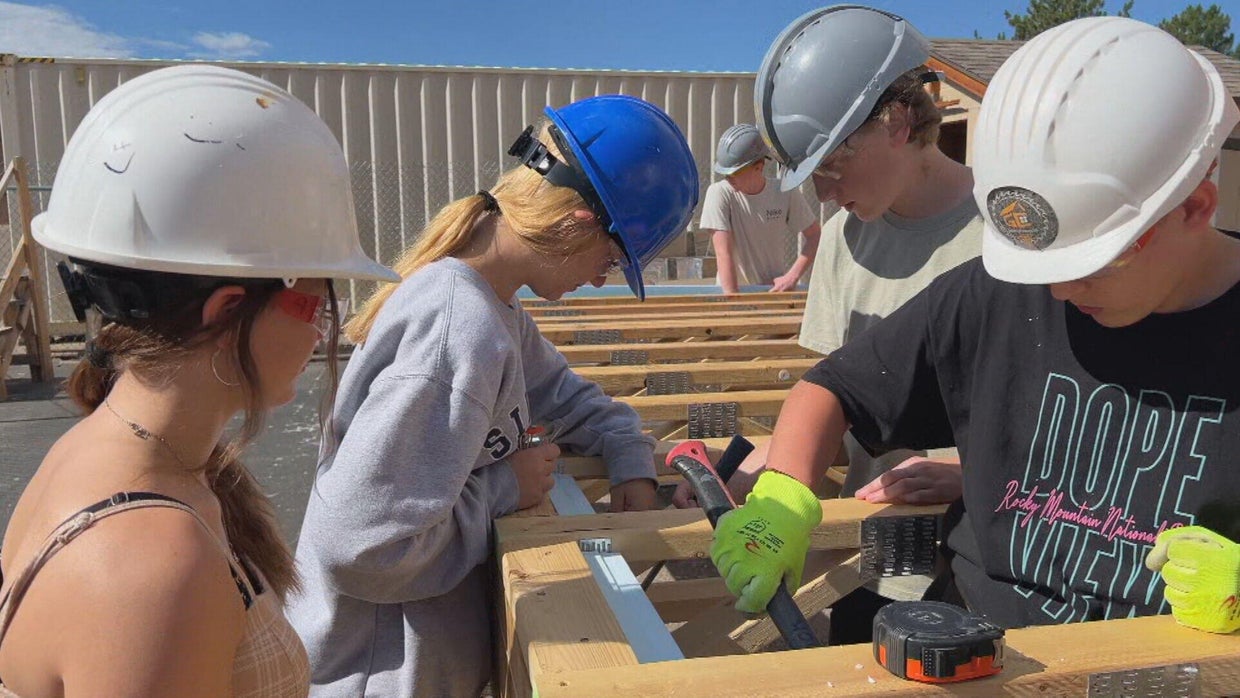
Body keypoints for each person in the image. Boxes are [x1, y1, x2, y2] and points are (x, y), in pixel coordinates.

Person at [707, 16, 1240, 637]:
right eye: (1040, 263)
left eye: (1089, 264)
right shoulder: (998, 295)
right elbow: (834, 387)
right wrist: (783, 501)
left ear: (1195, 208)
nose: (1059, 290)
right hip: (972, 640)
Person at [0, 65, 397, 697]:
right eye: (319, 306)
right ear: (227, 310)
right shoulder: (152, 565)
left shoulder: (124, 458)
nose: (325, 334)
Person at [286, 95, 699, 696]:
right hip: (378, 679)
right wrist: (507, 487)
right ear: (579, 222)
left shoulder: (496, 310)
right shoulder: (459, 327)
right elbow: (360, 547)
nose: (600, 279)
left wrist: (629, 462)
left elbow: (571, 400)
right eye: (611, 259)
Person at [678, 5, 982, 643]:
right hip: (866, 562)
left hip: (978, 564)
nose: (822, 193)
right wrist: (765, 477)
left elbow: (1067, 417)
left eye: (833, 166)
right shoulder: (844, 239)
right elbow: (834, 402)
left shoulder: (1005, 235)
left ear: (897, 121)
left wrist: (970, 476)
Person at [701, 123, 821, 292]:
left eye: (734, 172)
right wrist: (733, 303)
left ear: (759, 167)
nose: (729, 178)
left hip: (773, 293)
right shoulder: (719, 193)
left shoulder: (784, 192)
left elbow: (815, 235)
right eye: (726, 173)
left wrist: (792, 276)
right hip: (732, 293)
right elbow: (723, 254)